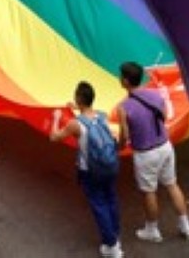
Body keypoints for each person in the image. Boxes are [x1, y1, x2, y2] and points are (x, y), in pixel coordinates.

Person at [112, 61, 189, 243]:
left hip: (145, 153)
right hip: (165, 146)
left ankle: (152, 230)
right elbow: (163, 116)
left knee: (149, 192)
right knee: (172, 184)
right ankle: (186, 226)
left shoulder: (123, 107)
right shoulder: (156, 95)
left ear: (125, 81)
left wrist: (119, 147)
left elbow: (124, 135)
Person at [51, 81, 123, 258]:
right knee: (111, 198)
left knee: (99, 204)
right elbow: (88, 118)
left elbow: (54, 137)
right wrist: (76, 108)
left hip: (90, 171)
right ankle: (115, 235)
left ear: (78, 98)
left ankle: (112, 246)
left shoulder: (75, 124)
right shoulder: (102, 116)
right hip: (110, 165)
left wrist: (56, 118)